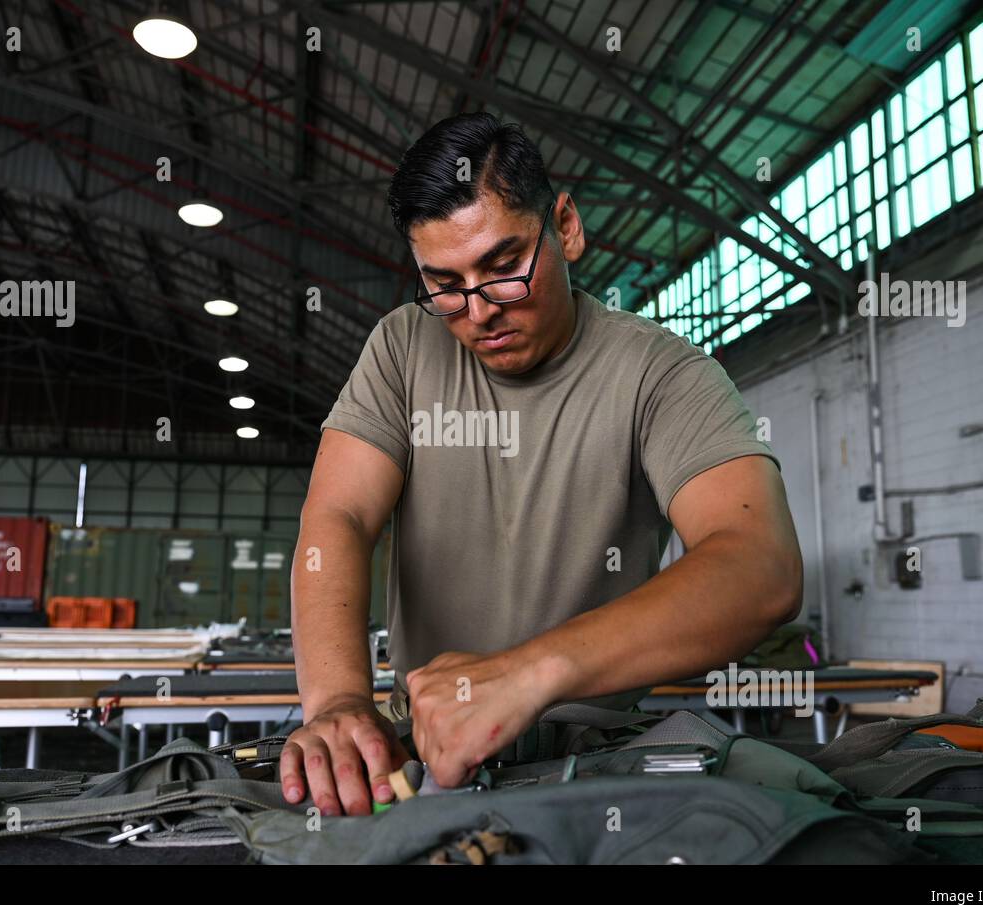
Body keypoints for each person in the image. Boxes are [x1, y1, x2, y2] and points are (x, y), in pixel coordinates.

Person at [283, 112, 803, 816]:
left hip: (601, 765)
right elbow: (339, 514)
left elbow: (760, 566)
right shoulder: (403, 349)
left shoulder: (661, 375)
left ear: (565, 227)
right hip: (428, 760)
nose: (478, 312)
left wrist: (529, 674)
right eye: (445, 284)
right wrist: (340, 700)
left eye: (503, 269)